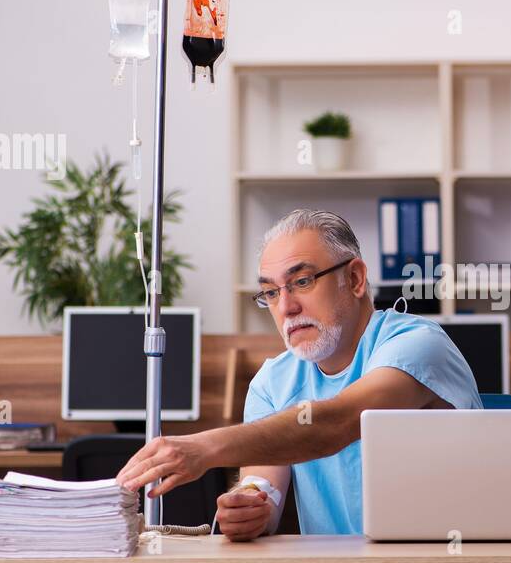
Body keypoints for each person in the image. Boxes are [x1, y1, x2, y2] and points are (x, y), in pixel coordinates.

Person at [116, 208, 482, 540]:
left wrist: (205, 448)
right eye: (271, 293)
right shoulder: (271, 382)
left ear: (354, 279)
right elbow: (263, 484)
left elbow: (337, 422)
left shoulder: (418, 344)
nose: (286, 308)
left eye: (302, 282)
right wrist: (251, 504)